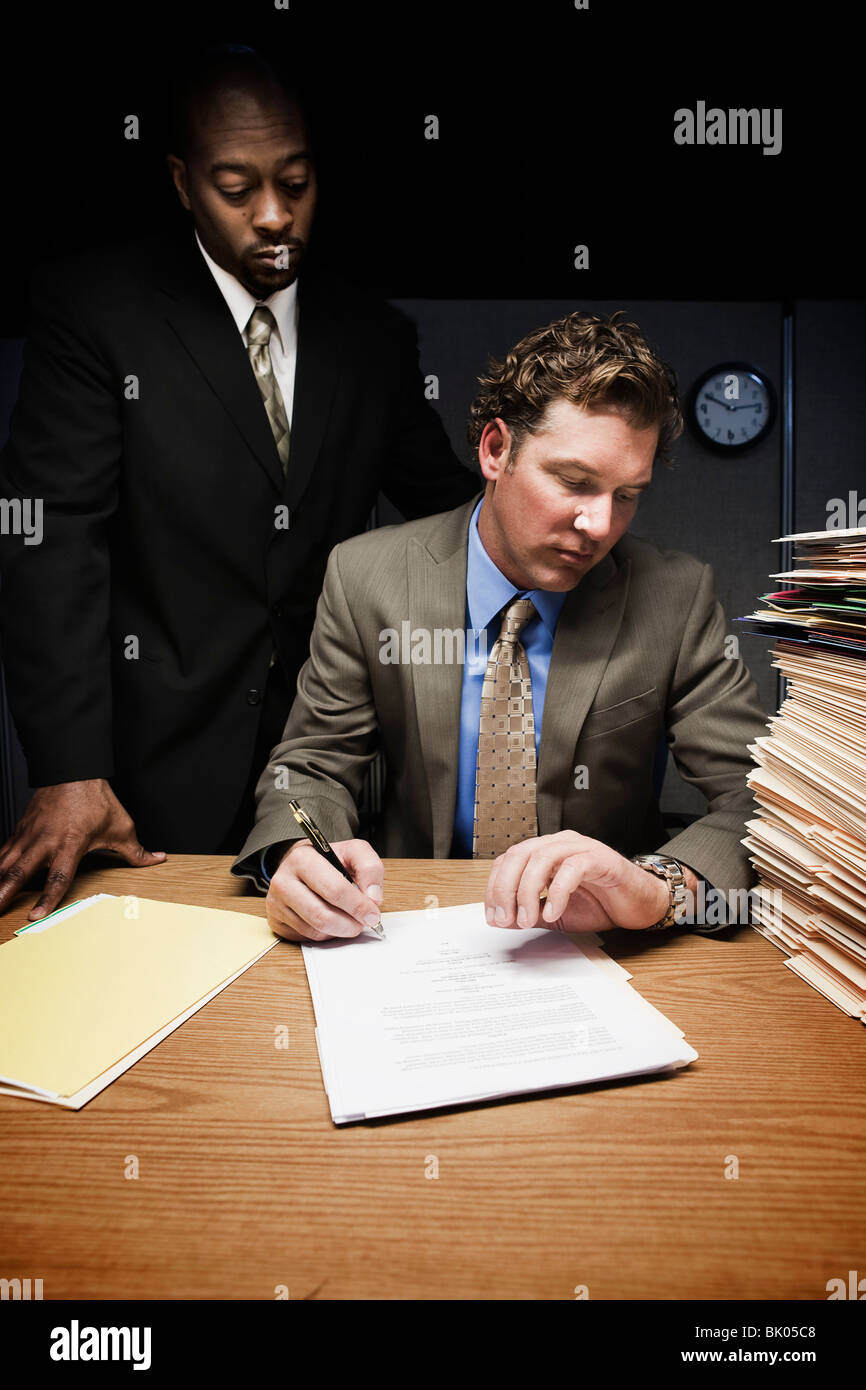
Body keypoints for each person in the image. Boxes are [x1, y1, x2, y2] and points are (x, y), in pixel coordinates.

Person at [0, 44, 478, 920]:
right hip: (140, 775)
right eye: (236, 187)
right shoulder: (95, 311)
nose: (273, 216)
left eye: (295, 184)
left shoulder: (371, 337)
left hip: (326, 767)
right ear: (183, 183)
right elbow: (52, 538)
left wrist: (561, 505)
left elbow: (449, 512)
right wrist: (70, 765)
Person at [232, 309, 770, 942]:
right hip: (406, 927)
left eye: (627, 494)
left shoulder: (674, 598)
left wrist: (658, 889)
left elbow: (759, 800)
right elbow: (314, 765)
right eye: (574, 481)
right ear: (495, 450)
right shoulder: (366, 576)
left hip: (600, 946)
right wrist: (297, 853)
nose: (599, 524)